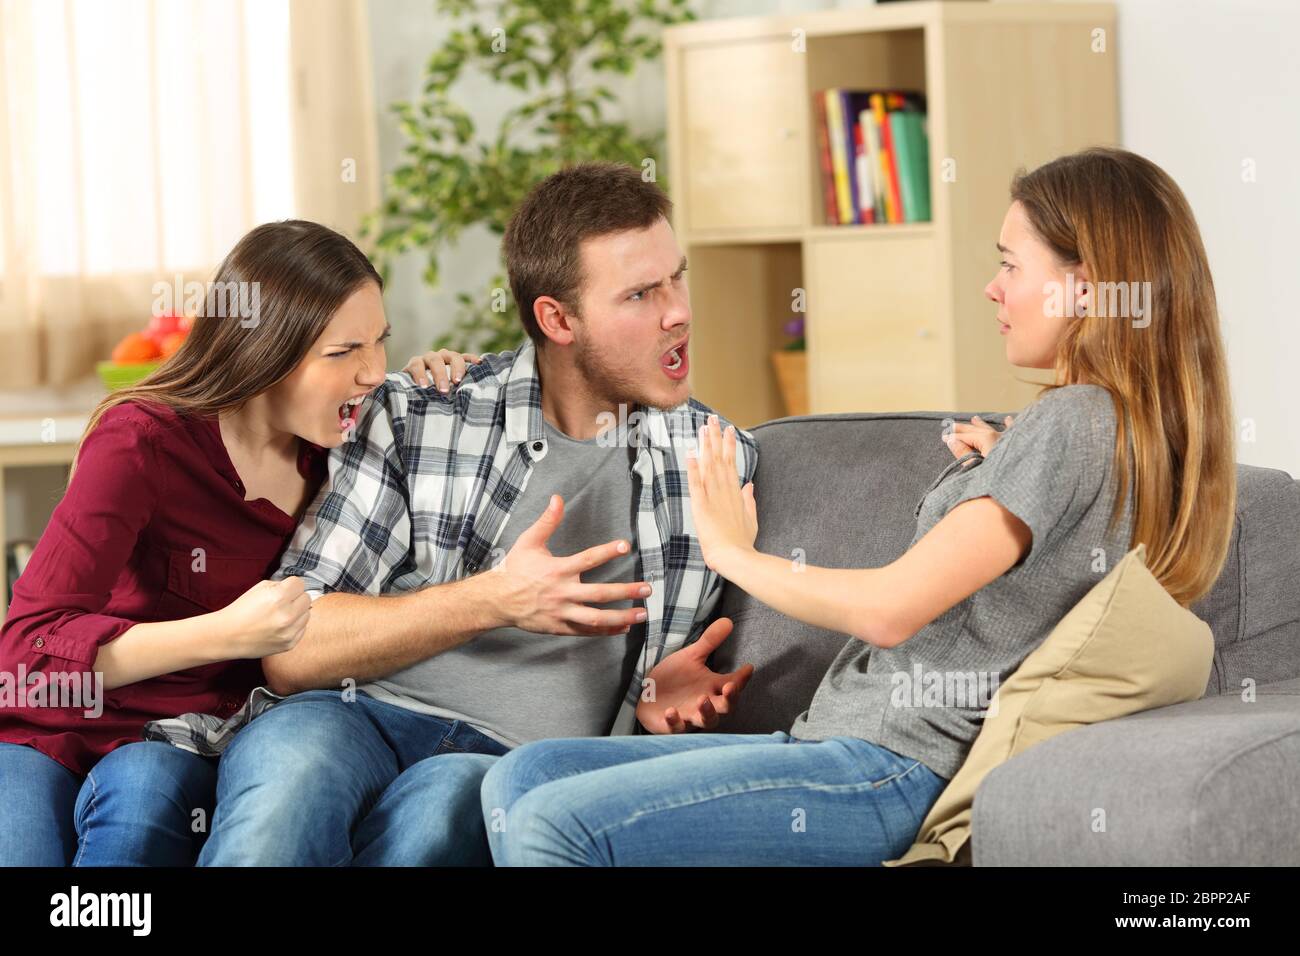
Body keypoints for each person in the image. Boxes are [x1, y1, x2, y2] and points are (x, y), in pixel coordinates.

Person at [480, 146, 1238, 866]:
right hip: (841, 748)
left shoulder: (1075, 420)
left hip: (888, 766)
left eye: (1011, 264)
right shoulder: (1106, 430)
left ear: (1087, 286)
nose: (993, 287)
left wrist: (732, 553)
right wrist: (995, 471)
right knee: (522, 779)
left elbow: (890, 612)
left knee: (549, 817)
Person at [182, 162, 758, 866]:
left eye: (677, 278)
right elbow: (291, 649)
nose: (679, 311)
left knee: (437, 814)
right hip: (349, 715)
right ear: (557, 319)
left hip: (507, 761)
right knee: (288, 788)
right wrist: (493, 600)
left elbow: (678, 670)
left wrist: (660, 694)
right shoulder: (424, 413)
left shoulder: (715, 462)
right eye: (640, 293)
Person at [0, 218, 476, 866]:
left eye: (381, 342)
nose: (372, 372)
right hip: (57, 733)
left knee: (142, 804)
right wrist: (225, 633)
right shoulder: (141, 442)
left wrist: (446, 387)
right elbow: (23, 657)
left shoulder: (344, 454)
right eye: (342, 353)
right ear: (265, 352)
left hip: (180, 748)